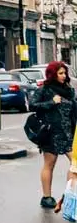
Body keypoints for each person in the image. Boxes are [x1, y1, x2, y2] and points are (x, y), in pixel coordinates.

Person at [28, 61, 76, 210]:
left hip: (68, 133)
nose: (63, 76)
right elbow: (32, 105)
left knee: (75, 164)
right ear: (53, 74)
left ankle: (68, 195)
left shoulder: (69, 90)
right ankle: (47, 197)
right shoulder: (45, 89)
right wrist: (51, 102)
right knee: (49, 164)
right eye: (60, 73)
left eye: (64, 73)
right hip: (51, 132)